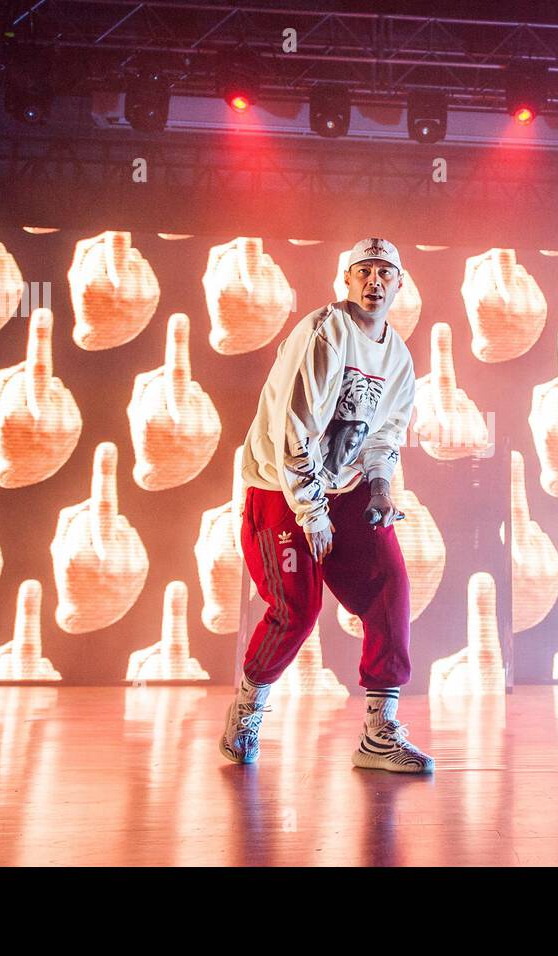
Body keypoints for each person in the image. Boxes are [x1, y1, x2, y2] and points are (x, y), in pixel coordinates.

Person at [221, 237, 434, 773]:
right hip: (280, 486)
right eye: (363, 271)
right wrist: (311, 511)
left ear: (400, 285)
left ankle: (379, 732)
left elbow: (384, 437)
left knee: (391, 587)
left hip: (343, 486)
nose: (374, 281)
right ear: (347, 281)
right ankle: (249, 707)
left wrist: (381, 488)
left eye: (385, 272)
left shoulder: (400, 359)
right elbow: (295, 430)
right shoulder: (324, 332)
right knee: (298, 608)